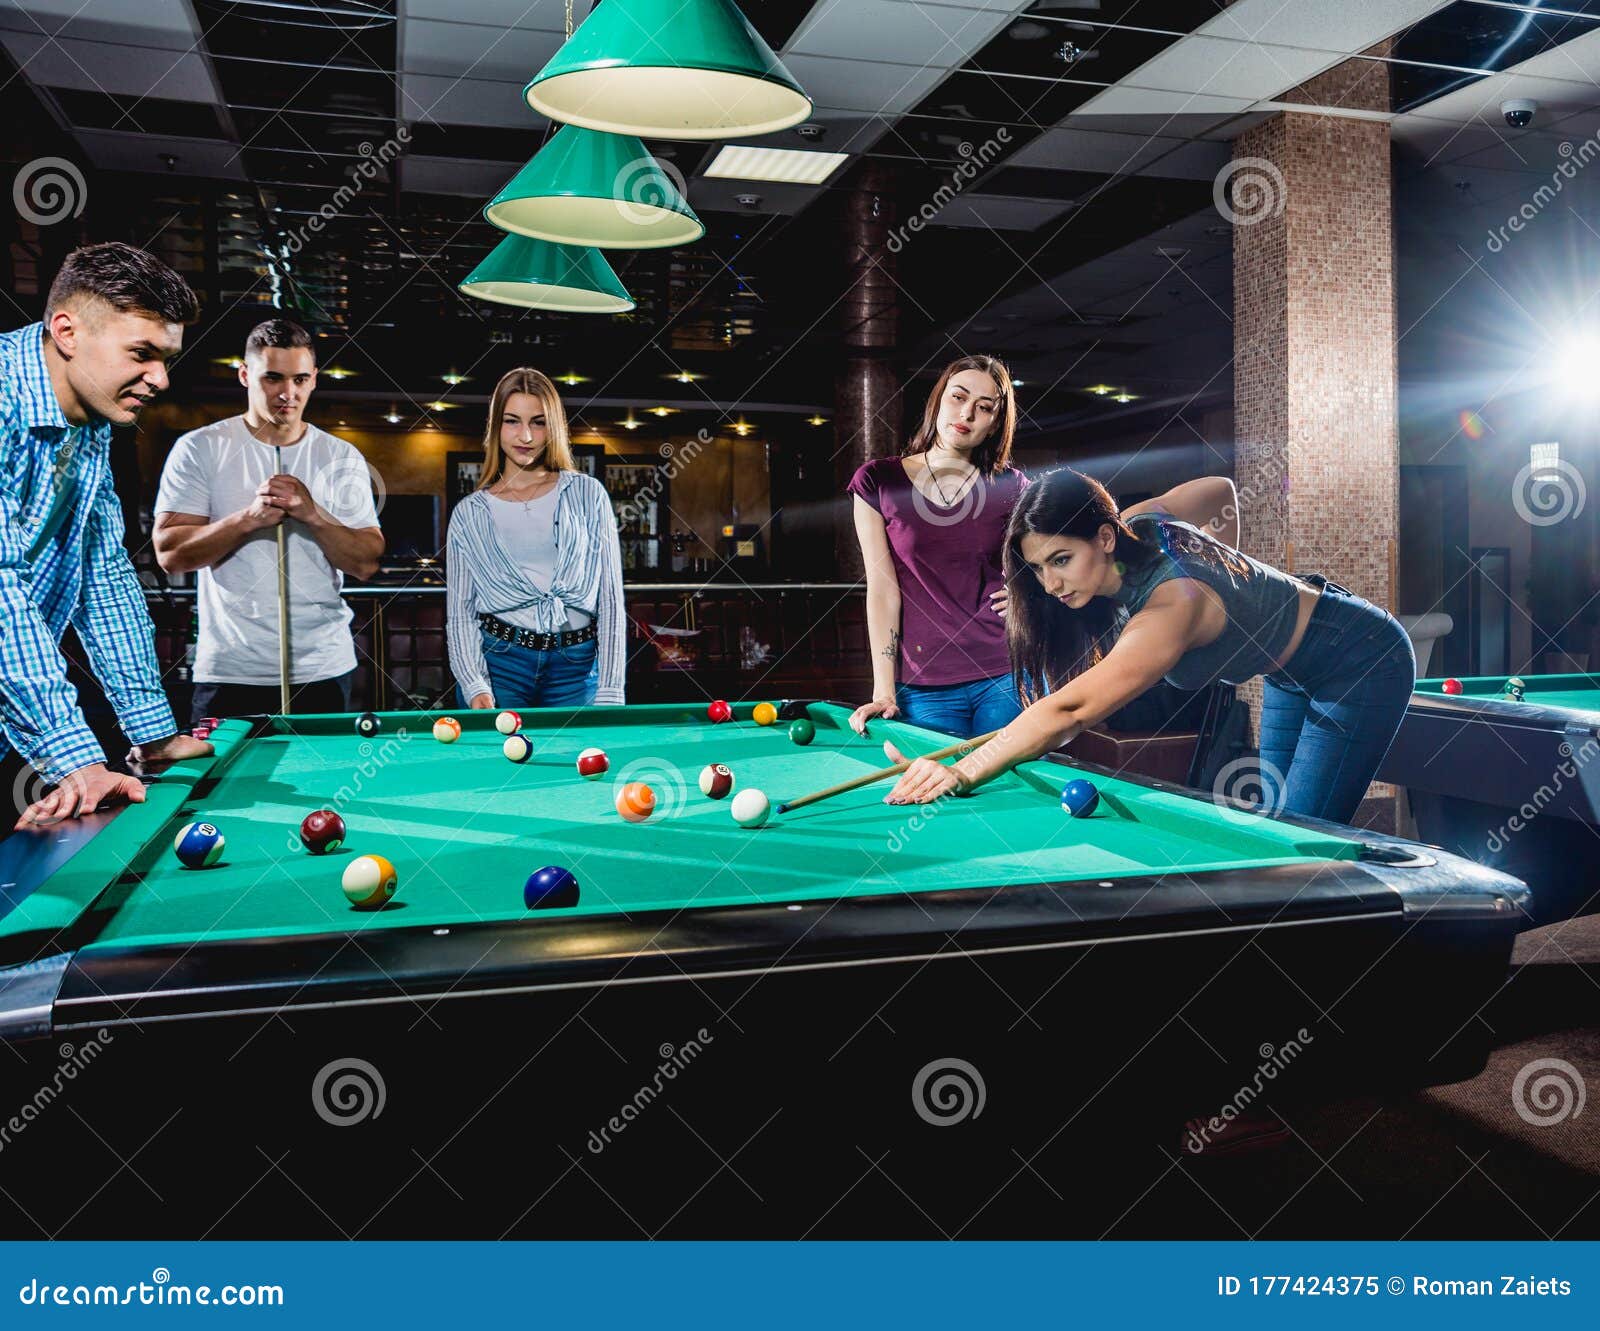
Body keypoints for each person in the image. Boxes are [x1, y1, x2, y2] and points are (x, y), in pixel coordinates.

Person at [884, 467, 1416, 825]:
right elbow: (1219, 491)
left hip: (1360, 657)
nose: (1050, 584)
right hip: (1289, 671)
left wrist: (962, 769)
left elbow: (1071, 711)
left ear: (1104, 538)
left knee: (1307, 838)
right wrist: (1242, 586)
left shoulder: (1170, 608)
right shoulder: (1138, 525)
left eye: (1062, 559)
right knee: (1277, 822)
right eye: (1039, 567)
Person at [0, 242, 212, 829]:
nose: (161, 379)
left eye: (166, 357)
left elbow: (104, 579)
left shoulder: (89, 420)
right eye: (141, 354)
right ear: (66, 331)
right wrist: (78, 758)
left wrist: (152, 732)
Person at [152, 319, 384, 720]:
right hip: (229, 672)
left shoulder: (340, 456)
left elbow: (366, 563)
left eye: (299, 379)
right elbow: (171, 554)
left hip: (322, 669)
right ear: (245, 375)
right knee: (222, 784)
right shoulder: (199, 449)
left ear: (314, 380)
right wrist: (248, 518)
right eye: (272, 378)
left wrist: (311, 513)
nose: (287, 393)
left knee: (324, 784)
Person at [846, 355, 1029, 739]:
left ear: (996, 422)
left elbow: (1054, 558)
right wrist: (883, 687)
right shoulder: (878, 480)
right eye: (958, 397)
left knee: (1007, 791)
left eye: (985, 408)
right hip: (923, 684)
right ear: (938, 400)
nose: (967, 414)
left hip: (1005, 674)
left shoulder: (1011, 485)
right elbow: (881, 591)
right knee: (934, 793)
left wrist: (1028, 592)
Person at [446, 368, 625, 709]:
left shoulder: (588, 494)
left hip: (578, 666)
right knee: (498, 764)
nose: (525, 435)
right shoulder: (469, 513)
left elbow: (611, 601)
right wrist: (474, 683)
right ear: (496, 426)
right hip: (500, 665)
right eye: (512, 421)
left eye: (539, 422)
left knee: (585, 761)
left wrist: (611, 689)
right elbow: (460, 613)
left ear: (553, 428)